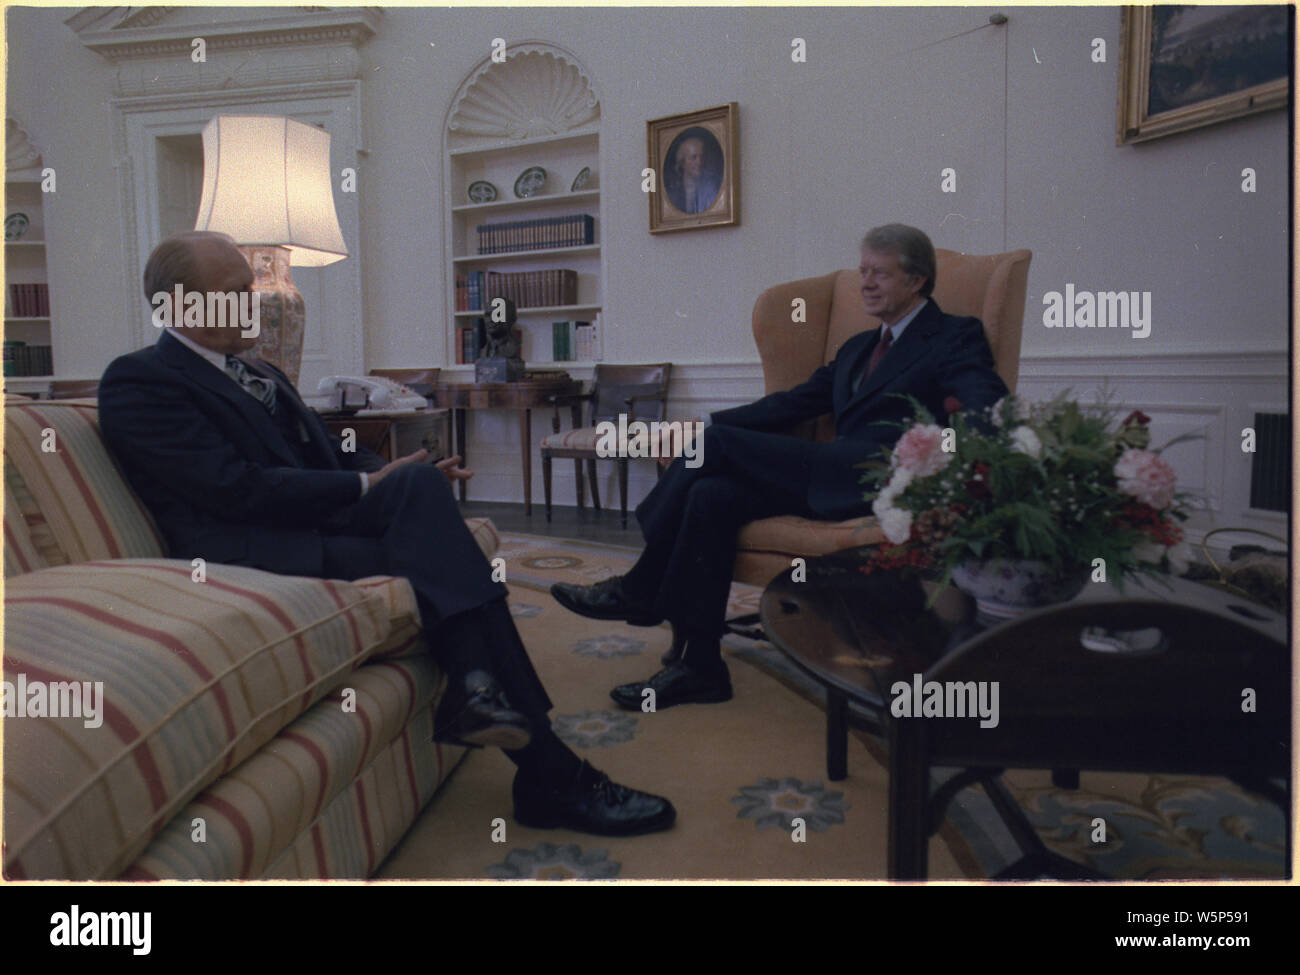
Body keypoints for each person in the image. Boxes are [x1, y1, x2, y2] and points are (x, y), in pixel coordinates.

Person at [98, 230, 674, 837]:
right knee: (435, 543)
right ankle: (542, 765)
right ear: (180, 306)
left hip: (306, 526)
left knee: (422, 501)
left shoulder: (257, 370)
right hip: (247, 552)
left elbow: (328, 457)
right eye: (235, 292)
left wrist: (389, 474)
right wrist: (376, 488)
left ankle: (501, 719)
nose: (254, 304)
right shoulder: (140, 381)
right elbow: (233, 488)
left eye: (253, 288)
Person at [552, 224, 1009, 710]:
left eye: (880, 273)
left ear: (917, 280)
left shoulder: (954, 336)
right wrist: (708, 422)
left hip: (882, 480)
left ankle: (640, 587)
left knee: (717, 445)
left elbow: (989, 410)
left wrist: (942, 456)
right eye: (863, 272)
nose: (866, 283)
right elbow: (791, 404)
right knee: (711, 496)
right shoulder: (857, 348)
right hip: (823, 475)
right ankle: (699, 667)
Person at [665, 134, 722, 215]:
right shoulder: (672, 192)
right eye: (693, 157)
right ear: (682, 162)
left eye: (702, 157)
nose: (699, 162)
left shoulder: (712, 188)